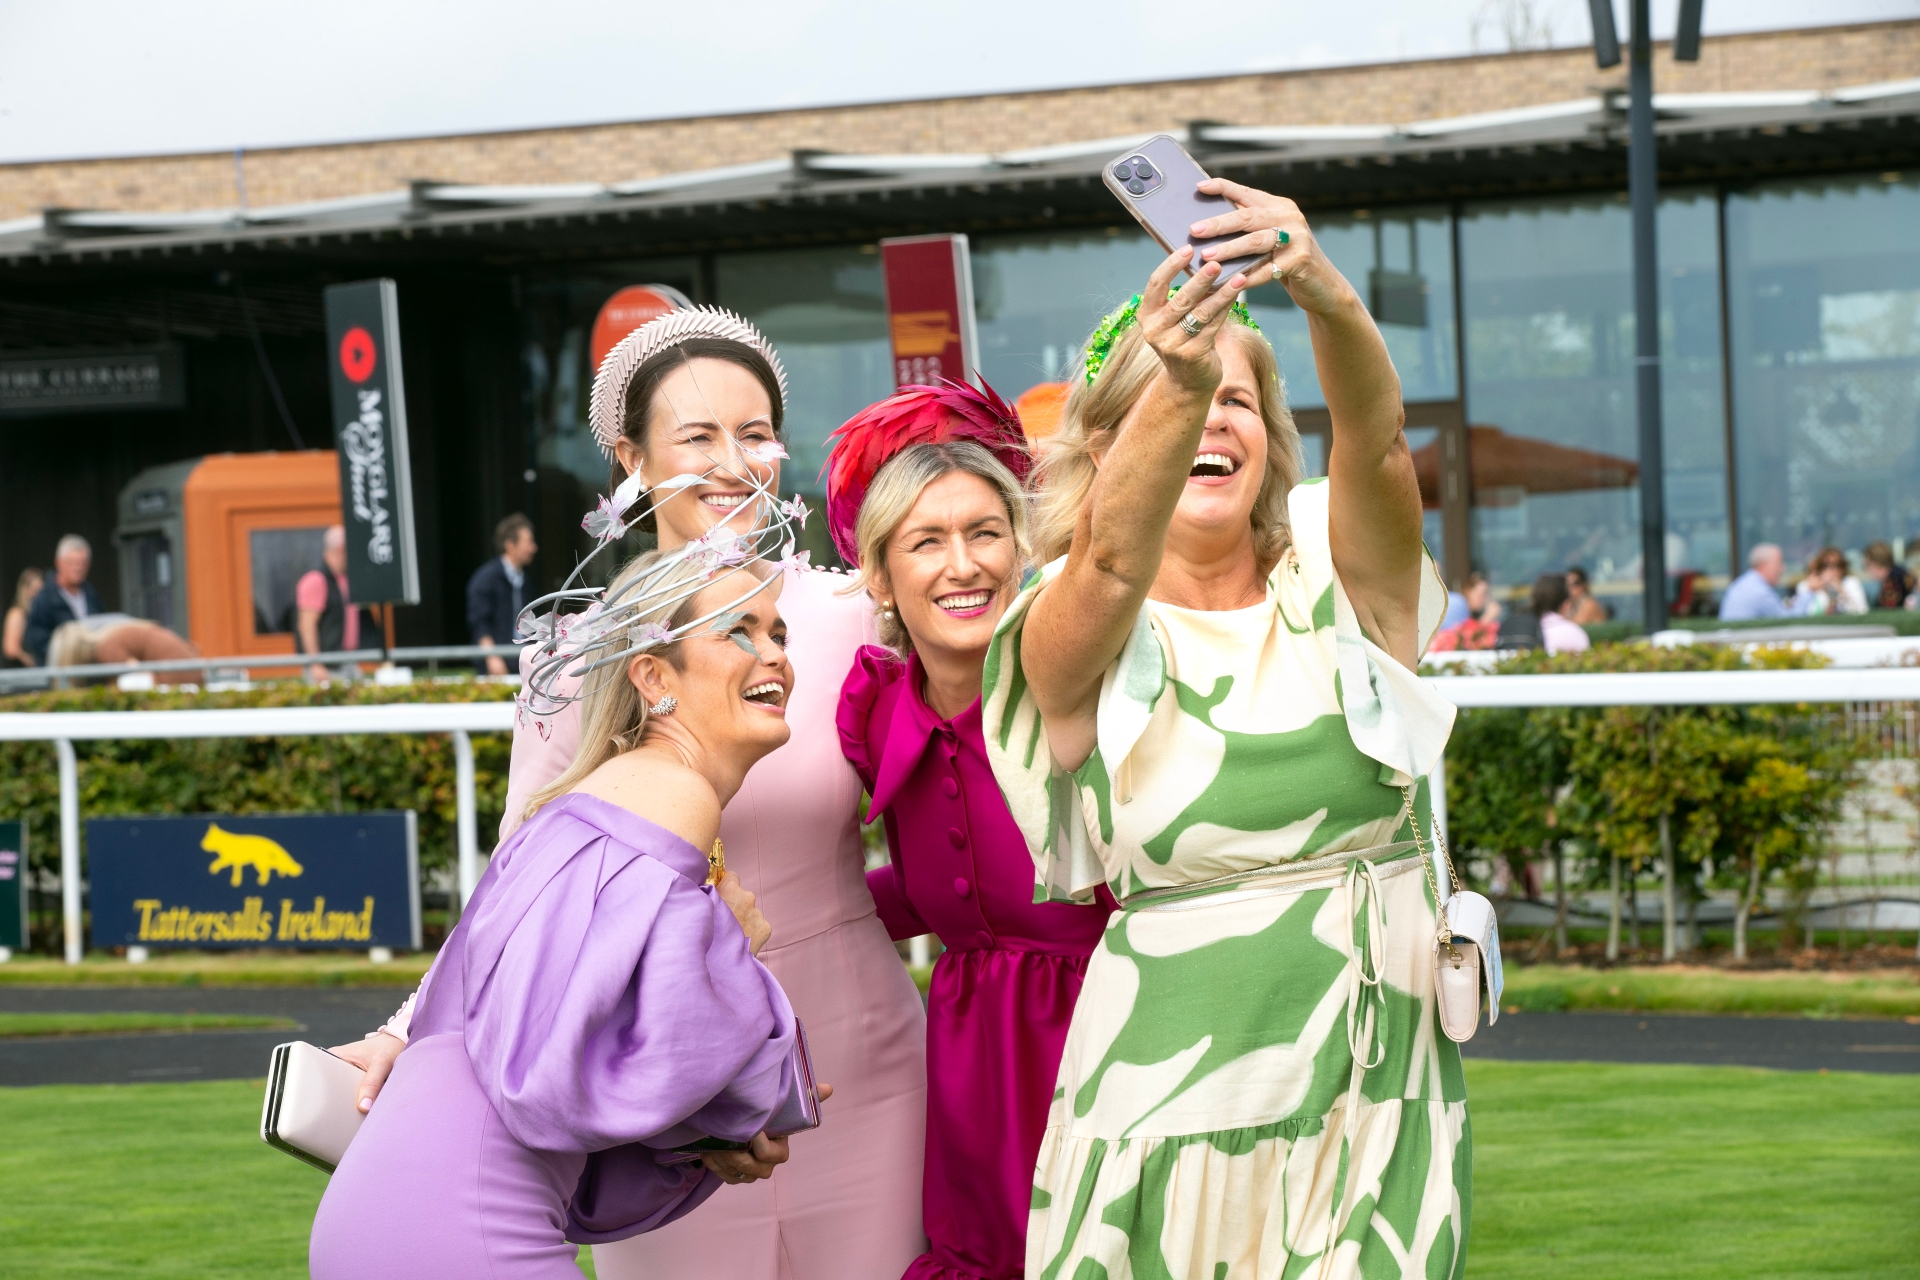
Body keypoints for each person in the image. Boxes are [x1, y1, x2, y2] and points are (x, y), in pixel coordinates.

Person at [331, 308, 928, 1280]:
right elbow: (521, 876)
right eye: (697, 436)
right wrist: (409, 1030)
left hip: (869, 1063)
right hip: (663, 1090)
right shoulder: (579, 658)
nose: (733, 461)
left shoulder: (859, 614)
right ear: (631, 459)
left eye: (755, 432)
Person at [983, 183, 1466, 1277]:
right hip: (1168, 1107)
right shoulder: (1065, 616)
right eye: (1172, 400)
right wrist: (1187, 376)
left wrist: (1322, 291)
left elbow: (1381, 449)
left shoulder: (1340, 581)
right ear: (1105, 447)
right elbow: (1112, 560)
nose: (1213, 417)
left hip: (1374, 1086)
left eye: (1240, 400)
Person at [310, 552, 827, 1278]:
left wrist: (717, 1128)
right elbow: (610, 1062)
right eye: (738, 631)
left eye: (779, 634)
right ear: (653, 676)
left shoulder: (602, 797)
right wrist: (734, 959)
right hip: (468, 1219)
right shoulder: (671, 791)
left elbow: (577, 1045)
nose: (773, 653)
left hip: (396, 1200)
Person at [826, 382, 1114, 1280]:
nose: (963, 564)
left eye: (986, 533)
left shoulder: (1083, 689)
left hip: (1109, 1036)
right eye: (927, 541)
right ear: (878, 575)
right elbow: (925, 889)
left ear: (1021, 551)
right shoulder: (876, 713)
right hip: (968, 1057)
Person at [467, 513, 539, 675]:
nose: (533, 548)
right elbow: (479, 623)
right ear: (510, 545)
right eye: (528, 542)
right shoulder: (485, 579)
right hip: (495, 668)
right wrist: (492, 657)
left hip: (522, 663)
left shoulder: (525, 581)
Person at [295, 525, 365, 681]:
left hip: (348, 661)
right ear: (340, 550)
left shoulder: (345, 580)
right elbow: (306, 625)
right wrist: (315, 664)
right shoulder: (316, 580)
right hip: (327, 668)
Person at [22, 535, 102, 665]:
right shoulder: (44, 599)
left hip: (90, 668)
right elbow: (35, 639)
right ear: (59, 562)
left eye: (83, 563)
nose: (78, 568)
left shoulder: (91, 594)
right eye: (73, 563)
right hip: (59, 671)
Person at [46, 617, 201, 682]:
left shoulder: (106, 649)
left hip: (178, 676)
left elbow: (141, 676)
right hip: (189, 667)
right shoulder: (110, 634)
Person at [1719, 543, 1789, 620]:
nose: (1783, 569)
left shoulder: (1741, 584)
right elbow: (1787, 621)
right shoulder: (1759, 592)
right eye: (1779, 563)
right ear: (1763, 565)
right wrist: (1804, 594)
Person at [1793, 546, 1869, 616]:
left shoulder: (1851, 583)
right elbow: (1799, 613)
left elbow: (1863, 611)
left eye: (1837, 565)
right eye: (1825, 565)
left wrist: (1842, 592)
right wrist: (1814, 590)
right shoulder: (1806, 586)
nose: (1831, 570)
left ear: (1842, 568)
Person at [1532, 573, 1591, 656]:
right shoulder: (1575, 634)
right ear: (1566, 605)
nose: (1574, 590)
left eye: (1576, 583)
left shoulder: (1521, 631)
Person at [2, 568, 43, 667]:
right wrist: (31, 661)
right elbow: (10, 649)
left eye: (41, 591)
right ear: (25, 590)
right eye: (35, 590)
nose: (38, 595)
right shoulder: (17, 613)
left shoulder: (38, 615)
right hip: (19, 673)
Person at [1863, 541, 1916, 611]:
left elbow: (1886, 612)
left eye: (1867, 565)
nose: (1866, 569)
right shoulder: (1900, 573)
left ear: (1877, 563)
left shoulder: (1893, 580)